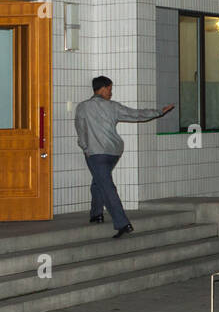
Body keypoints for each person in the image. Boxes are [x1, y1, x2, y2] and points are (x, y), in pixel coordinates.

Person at [74, 76, 173, 237]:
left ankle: (123, 224)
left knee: (106, 187)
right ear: (103, 88)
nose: (111, 93)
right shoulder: (113, 107)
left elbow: (81, 130)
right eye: (110, 89)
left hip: (96, 153)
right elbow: (136, 115)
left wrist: (85, 148)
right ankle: (96, 214)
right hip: (114, 152)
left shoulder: (83, 107)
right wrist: (158, 112)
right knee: (99, 181)